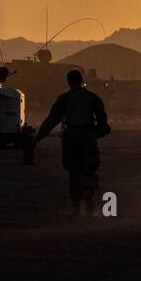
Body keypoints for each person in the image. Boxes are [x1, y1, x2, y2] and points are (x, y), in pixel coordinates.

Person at [35, 69, 110, 216]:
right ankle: (88, 190)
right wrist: (97, 133)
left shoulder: (64, 99)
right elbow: (103, 122)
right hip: (88, 136)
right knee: (89, 168)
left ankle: (76, 207)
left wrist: (39, 137)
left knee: (74, 171)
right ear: (81, 81)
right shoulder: (93, 98)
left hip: (71, 138)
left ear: (68, 82)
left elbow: (52, 119)